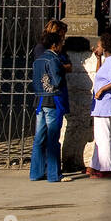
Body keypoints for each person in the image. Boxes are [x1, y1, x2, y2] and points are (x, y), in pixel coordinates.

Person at [30, 31, 70, 182]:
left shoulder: (38, 60)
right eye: (60, 43)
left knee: (39, 137)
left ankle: (36, 173)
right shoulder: (54, 59)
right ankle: (54, 174)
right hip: (52, 100)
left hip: (40, 100)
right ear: (55, 45)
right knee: (53, 137)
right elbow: (57, 81)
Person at [88, 34, 111, 178]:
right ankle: (96, 165)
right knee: (100, 135)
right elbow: (99, 75)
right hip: (100, 105)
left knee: (104, 136)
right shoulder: (107, 61)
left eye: (98, 46)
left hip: (105, 103)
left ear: (104, 47)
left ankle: (105, 168)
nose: (96, 48)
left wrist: (102, 89)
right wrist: (98, 59)